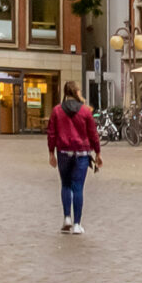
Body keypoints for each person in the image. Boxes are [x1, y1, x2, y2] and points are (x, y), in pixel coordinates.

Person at [45, 80, 101, 234]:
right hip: (82, 153)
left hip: (63, 152)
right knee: (78, 188)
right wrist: (98, 152)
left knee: (65, 185)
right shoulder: (85, 112)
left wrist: (51, 153)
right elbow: (93, 134)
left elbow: (51, 133)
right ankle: (77, 224)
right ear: (77, 92)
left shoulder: (57, 111)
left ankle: (66, 218)